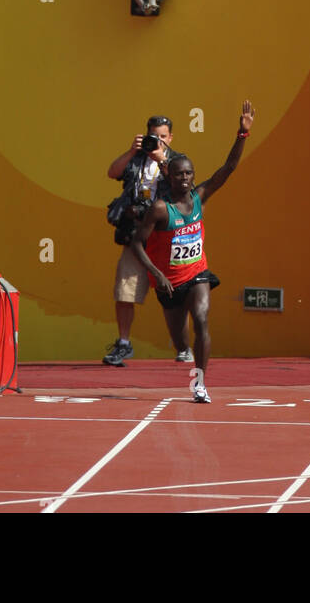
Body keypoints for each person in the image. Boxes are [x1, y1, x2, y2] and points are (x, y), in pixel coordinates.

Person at [131, 99, 255, 403]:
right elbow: (136, 242)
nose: (185, 178)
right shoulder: (161, 209)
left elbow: (228, 168)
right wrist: (157, 274)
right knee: (180, 340)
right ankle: (183, 350)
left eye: (189, 173)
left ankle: (200, 384)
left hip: (197, 273)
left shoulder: (200, 196)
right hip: (168, 282)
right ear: (169, 177)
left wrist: (242, 135)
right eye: (179, 174)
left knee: (201, 318)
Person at [102, 116, 177, 367]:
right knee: (125, 288)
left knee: (179, 292)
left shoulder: (176, 160)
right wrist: (131, 150)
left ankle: (183, 346)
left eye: (163, 137)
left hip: (165, 235)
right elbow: (112, 172)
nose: (157, 141)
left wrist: (162, 160)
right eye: (153, 136)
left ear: (170, 138)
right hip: (136, 233)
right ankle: (123, 343)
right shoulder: (136, 156)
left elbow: (183, 186)